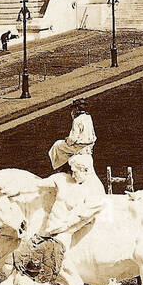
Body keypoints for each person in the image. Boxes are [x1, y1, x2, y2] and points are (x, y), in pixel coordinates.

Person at [35, 100, 107, 254]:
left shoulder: (77, 120)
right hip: (87, 147)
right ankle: (61, 166)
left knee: (57, 146)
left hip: (79, 148)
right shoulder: (88, 118)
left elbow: (73, 138)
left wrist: (68, 142)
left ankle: (58, 166)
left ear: (75, 110)